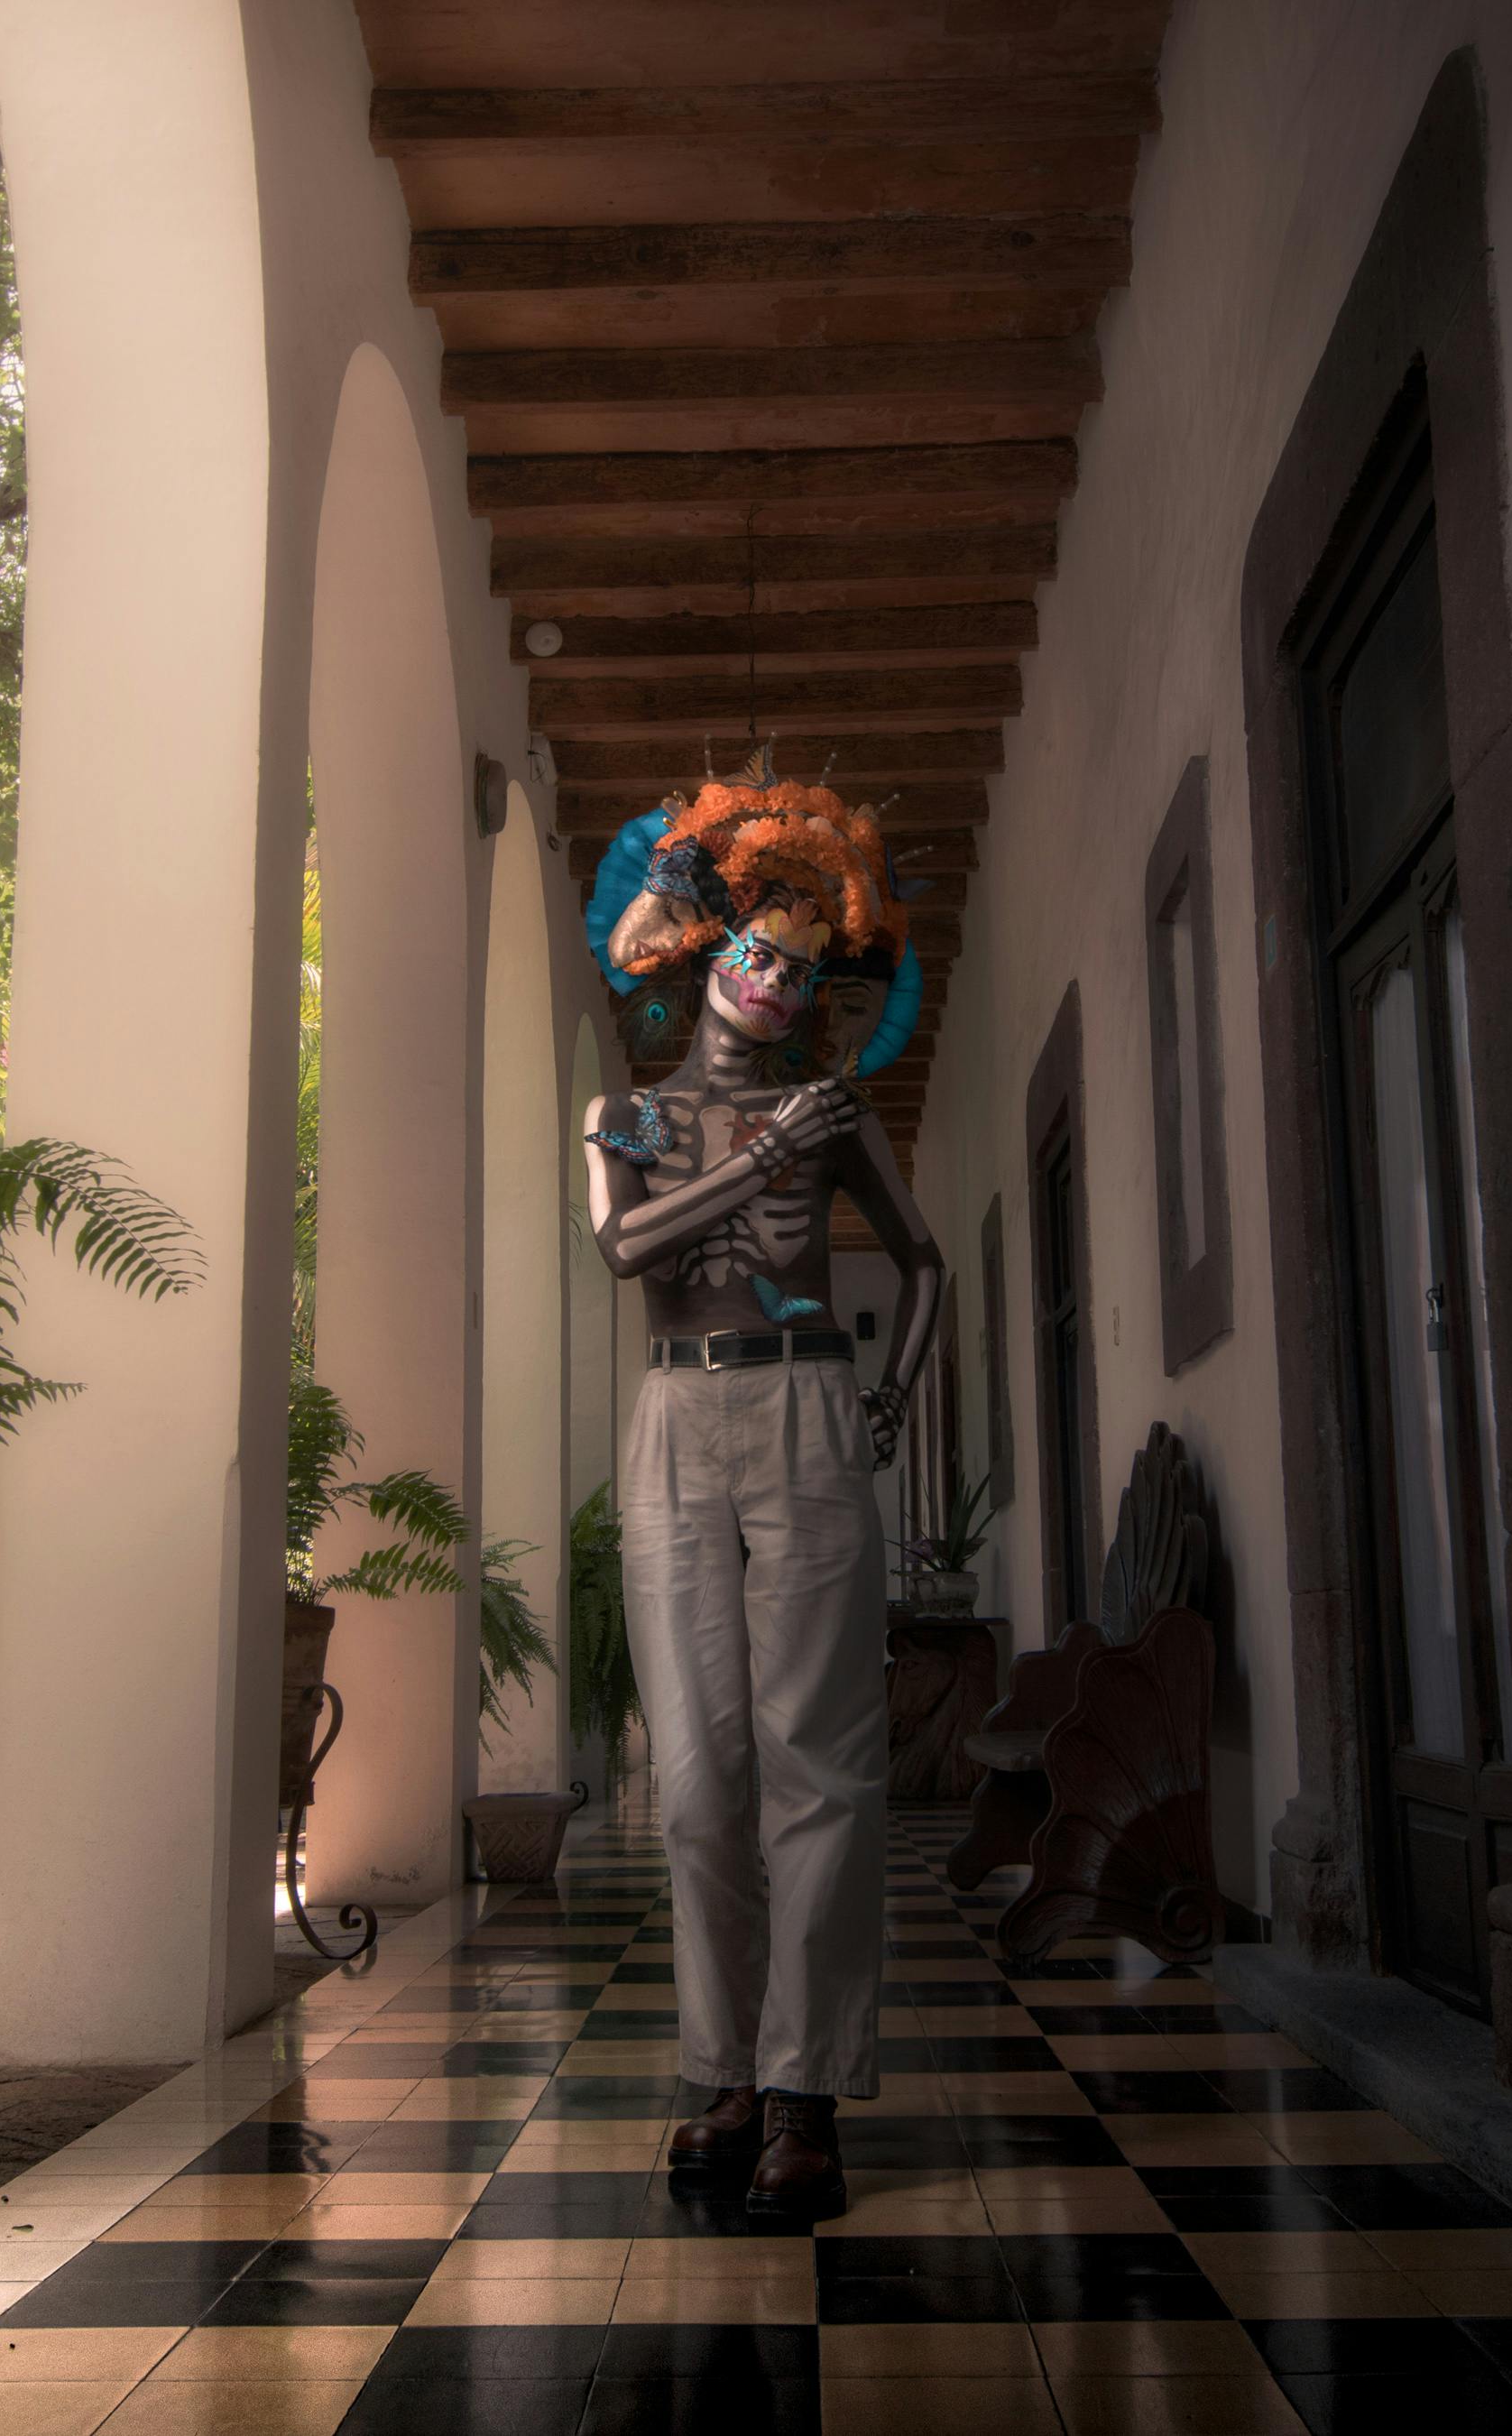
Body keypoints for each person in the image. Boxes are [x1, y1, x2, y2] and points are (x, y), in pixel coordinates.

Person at [581, 751, 944, 2221]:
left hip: (805, 1407)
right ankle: (719, 2072)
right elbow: (626, 1256)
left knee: (822, 1763)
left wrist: (897, 1390)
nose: (776, 991)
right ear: (702, 962)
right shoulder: (628, 1121)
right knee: (693, 1782)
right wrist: (760, 1159)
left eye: (802, 975)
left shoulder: (841, 1113)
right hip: (676, 1420)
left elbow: (925, 1264)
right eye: (754, 960)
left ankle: (804, 2092)